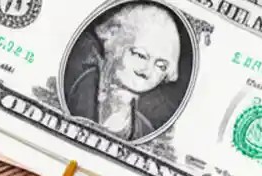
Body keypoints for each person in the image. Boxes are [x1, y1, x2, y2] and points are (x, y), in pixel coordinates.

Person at [63, 2, 184, 141]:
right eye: (140, 55)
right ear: (115, 42)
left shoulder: (145, 130)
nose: (147, 70)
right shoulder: (77, 83)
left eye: (160, 66)